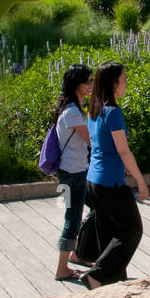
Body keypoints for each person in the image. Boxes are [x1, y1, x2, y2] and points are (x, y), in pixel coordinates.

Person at [81, 62, 148, 289]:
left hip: (94, 181)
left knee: (109, 233)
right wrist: (140, 180)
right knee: (132, 230)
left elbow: (103, 146)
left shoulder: (93, 110)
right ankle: (96, 275)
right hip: (110, 183)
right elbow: (122, 150)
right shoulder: (113, 112)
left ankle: (112, 281)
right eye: (124, 79)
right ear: (113, 83)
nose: (127, 83)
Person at [51, 65, 93, 281]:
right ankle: (61, 268)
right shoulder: (73, 113)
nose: (91, 85)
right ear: (76, 84)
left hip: (73, 171)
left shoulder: (72, 108)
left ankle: (78, 254)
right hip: (73, 173)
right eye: (87, 81)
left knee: (90, 210)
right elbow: (91, 142)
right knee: (72, 218)